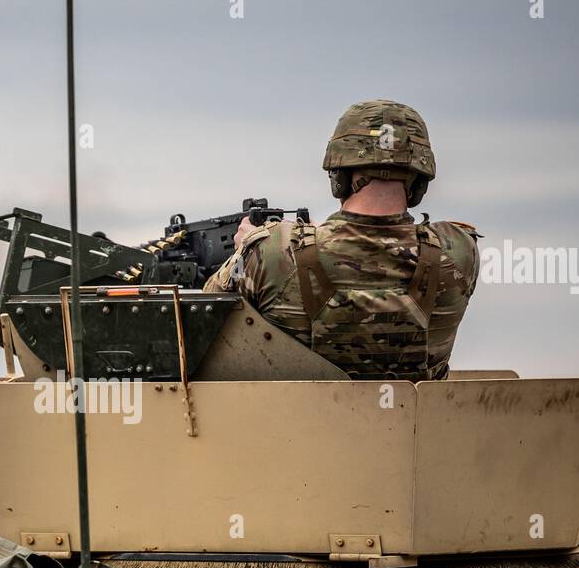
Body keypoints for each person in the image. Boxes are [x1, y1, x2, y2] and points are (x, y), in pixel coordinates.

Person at [204, 100, 481, 381]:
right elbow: (369, 254)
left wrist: (247, 251)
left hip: (296, 423)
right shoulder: (458, 252)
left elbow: (206, 316)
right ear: (420, 181)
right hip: (417, 424)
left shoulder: (271, 251)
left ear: (339, 175)